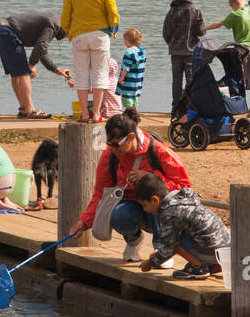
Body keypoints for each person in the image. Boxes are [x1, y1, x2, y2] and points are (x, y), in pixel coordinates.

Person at [68, 108, 191, 262]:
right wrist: (84, 222)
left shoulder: (159, 151)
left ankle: (163, 249)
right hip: (132, 206)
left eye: (116, 144)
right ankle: (134, 241)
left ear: (131, 137)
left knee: (153, 193)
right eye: (108, 143)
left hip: (161, 211)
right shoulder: (110, 155)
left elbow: (184, 187)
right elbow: (101, 193)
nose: (111, 149)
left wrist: (152, 178)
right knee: (118, 215)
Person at [135, 173, 230, 279]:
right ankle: (214, 266)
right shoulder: (183, 199)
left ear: (155, 200)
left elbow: (170, 247)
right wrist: (160, 252)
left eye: (144, 205)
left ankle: (199, 268)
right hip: (225, 249)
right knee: (179, 238)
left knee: (175, 242)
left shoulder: (169, 213)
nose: (144, 209)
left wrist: (150, 263)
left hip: (211, 250)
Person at [60, 0, 119, 123]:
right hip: (100, 36)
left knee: (81, 76)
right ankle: (97, 114)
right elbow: (113, 13)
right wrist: (113, 28)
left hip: (79, 36)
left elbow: (65, 18)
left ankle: (85, 114)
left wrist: (67, 31)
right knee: (100, 74)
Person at [0, 11, 71, 119]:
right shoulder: (55, 24)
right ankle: (30, 110)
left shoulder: (54, 21)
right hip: (9, 33)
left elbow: (41, 50)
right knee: (23, 73)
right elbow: (41, 45)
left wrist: (56, 69)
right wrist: (31, 65)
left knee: (17, 74)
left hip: (1, 31)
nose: (68, 37)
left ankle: (24, 109)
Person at [162, 0, 206, 108]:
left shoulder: (172, 11)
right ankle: (191, 104)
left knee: (176, 80)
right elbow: (201, 31)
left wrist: (172, 43)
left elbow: (166, 32)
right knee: (191, 79)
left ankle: (176, 105)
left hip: (175, 51)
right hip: (191, 50)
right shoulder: (196, 10)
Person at [116, 28, 146, 108]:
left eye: (124, 40)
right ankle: (134, 115)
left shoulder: (129, 52)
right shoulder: (141, 51)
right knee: (134, 98)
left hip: (129, 80)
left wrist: (122, 78)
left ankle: (129, 114)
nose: (124, 42)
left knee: (126, 99)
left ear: (127, 40)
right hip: (138, 80)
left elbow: (126, 67)